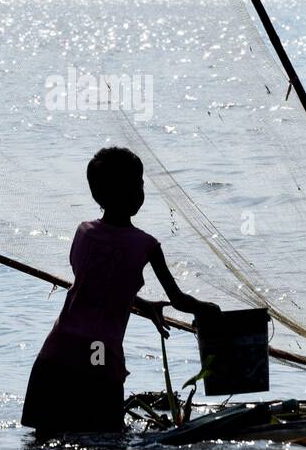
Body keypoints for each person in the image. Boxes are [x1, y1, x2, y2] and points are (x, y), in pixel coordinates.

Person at [21, 146, 219, 434]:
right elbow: (179, 300)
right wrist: (206, 309)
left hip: (57, 355)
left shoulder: (84, 232)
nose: (141, 190)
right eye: (138, 183)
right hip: (99, 361)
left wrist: (139, 302)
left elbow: (91, 285)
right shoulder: (146, 245)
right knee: (107, 446)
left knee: (48, 440)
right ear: (131, 193)